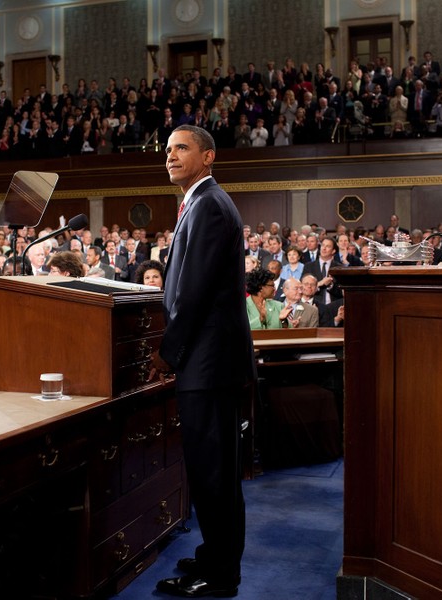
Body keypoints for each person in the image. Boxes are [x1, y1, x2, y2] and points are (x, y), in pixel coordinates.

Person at [149, 125, 254, 598]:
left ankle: (220, 575)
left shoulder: (209, 205)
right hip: (209, 362)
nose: (171, 156)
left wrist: (168, 353)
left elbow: (194, 291)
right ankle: (216, 557)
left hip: (208, 364)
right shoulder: (201, 201)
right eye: (168, 150)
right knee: (212, 472)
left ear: (208, 156)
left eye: (182, 148)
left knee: (214, 474)